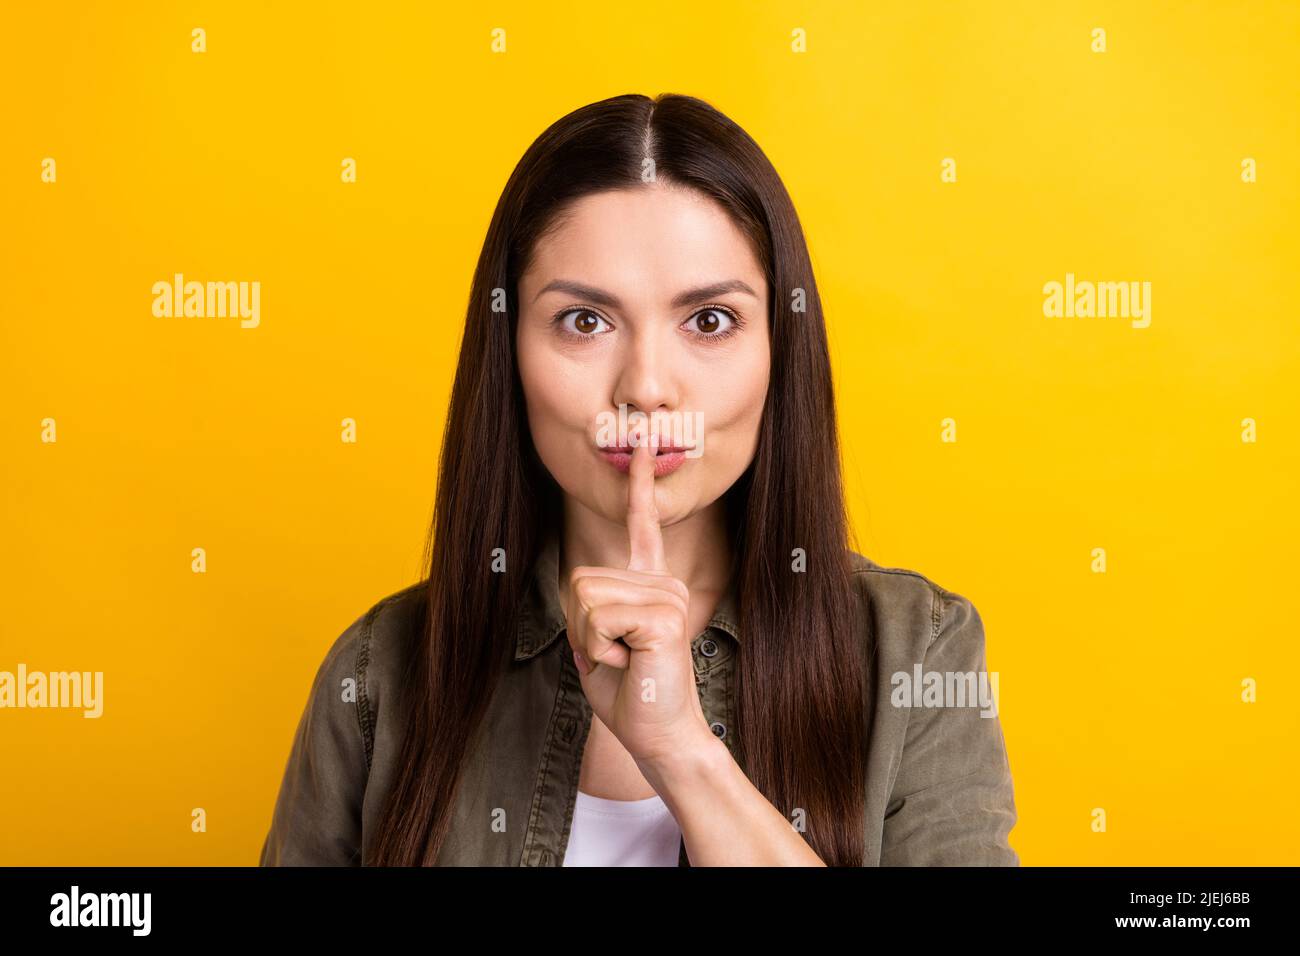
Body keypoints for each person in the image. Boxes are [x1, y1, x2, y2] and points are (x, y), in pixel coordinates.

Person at [258, 92, 1019, 866]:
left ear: (779, 349)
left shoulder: (915, 653)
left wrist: (683, 753)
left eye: (710, 320)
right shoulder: (379, 674)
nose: (647, 387)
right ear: (509, 350)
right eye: (585, 321)